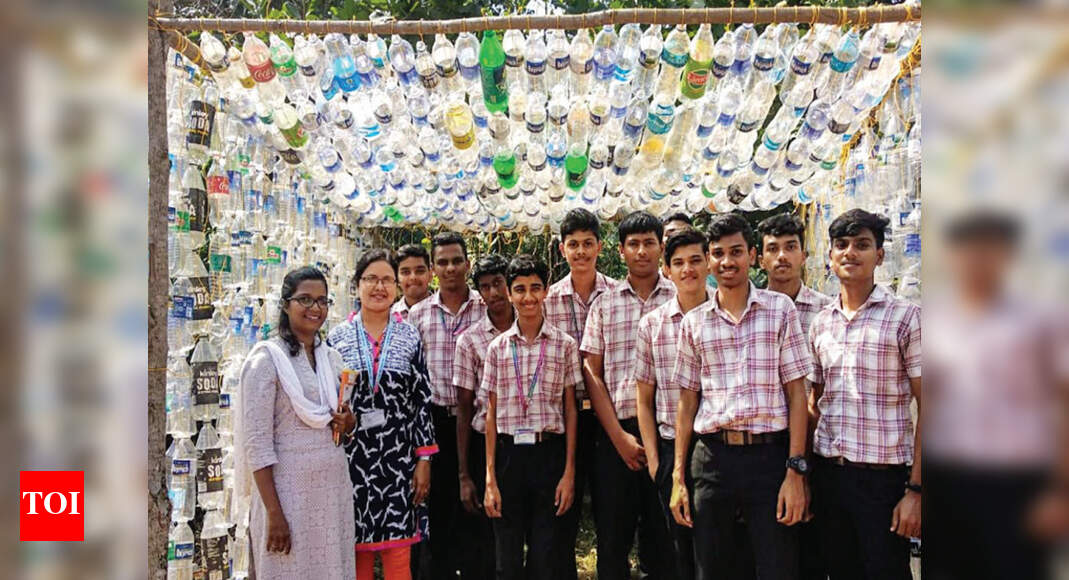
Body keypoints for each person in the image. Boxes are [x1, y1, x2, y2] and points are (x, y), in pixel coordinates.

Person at [670, 213, 812, 580]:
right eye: (718, 253)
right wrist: (678, 478)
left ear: (752, 255)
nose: (727, 261)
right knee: (712, 568)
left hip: (769, 459)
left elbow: (797, 393)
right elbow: (686, 402)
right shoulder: (694, 323)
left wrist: (795, 470)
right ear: (709, 260)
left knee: (777, 566)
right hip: (712, 459)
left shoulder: (780, 311)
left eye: (736, 251)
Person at [926, 210, 1064, 579]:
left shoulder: (1040, 320)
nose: (977, 260)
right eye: (968, 251)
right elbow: (931, 404)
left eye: (989, 250)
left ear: (1008, 256)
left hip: (1017, 483)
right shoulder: (938, 321)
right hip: (948, 484)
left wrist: (1060, 492)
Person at [807, 209, 921, 580]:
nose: (850, 253)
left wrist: (916, 491)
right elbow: (814, 403)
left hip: (884, 483)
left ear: (880, 255)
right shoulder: (821, 322)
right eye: (841, 245)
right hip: (830, 476)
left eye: (862, 245)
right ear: (830, 255)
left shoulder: (907, 318)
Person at [237, 266, 356, 579]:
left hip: (331, 495)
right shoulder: (265, 360)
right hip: (287, 499)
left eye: (322, 301)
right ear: (285, 304)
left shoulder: (331, 358)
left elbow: (342, 425)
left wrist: (349, 422)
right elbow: (257, 444)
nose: (315, 308)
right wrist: (275, 514)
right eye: (305, 299)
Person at [327, 249, 438, 580]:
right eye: (371, 279)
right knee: (354, 552)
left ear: (396, 286)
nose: (379, 287)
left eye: (387, 279)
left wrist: (424, 460)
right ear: (357, 285)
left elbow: (421, 401)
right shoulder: (336, 338)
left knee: (398, 555)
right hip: (351, 459)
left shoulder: (409, 335)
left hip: (399, 461)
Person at [581, 210, 677, 579]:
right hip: (615, 435)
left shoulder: (684, 299)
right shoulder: (604, 304)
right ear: (620, 251)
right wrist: (618, 437)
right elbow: (592, 372)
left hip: (669, 433)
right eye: (633, 244)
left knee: (666, 535)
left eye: (649, 243)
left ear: (661, 247)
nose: (641, 251)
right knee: (612, 538)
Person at [482, 255, 580, 580]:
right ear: (509, 293)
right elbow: (491, 413)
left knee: (545, 556)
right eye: (520, 289)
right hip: (509, 456)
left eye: (535, 288)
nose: (528, 297)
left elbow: (570, 409)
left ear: (546, 291)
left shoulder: (564, 345)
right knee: (506, 559)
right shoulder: (496, 348)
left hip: (548, 454)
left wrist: (568, 472)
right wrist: (490, 478)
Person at [756, 213, 832, 580]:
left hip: (817, 442)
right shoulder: (748, 308)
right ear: (760, 258)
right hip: (766, 444)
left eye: (790, 248)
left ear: (804, 255)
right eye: (773, 249)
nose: (782, 257)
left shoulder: (828, 311)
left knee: (814, 547)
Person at [634, 227, 713, 580]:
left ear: (709, 262)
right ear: (667, 270)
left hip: (716, 449)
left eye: (696, 260)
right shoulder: (652, 324)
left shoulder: (728, 315)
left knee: (720, 550)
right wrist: (654, 460)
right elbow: (644, 397)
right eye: (678, 263)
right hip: (669, 450)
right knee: (678, 548)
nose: (688, 270)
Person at [407, 232, 487, 579]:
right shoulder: (418, 316)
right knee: (437, 514)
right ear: (434, 269)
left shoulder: (487, 308)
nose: (450, 267)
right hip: (436, 424)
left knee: (477, 513)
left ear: (468, 264)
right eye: (442, 262)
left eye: (457, 260)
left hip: (479, 425)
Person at [542, 208, 616, 578]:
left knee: (610, 512)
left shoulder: (617, 295)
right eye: (574, 245)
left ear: (600, 247)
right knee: (563, 517)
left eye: (588, 244)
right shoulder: (547, 300)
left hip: (608, 418)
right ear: (562, 249)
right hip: (564, 416)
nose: (581, 251)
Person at [452, 255, 514, 579]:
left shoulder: (534, 325)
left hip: (526, 445)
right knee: (486, 536)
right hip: (483, 445)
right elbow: (463, 408)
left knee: (525, 534)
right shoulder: (470, 340)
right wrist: (464, 475)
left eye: (499, 283)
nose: (494, 293)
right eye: (486, 287)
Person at [390, 242, 435, 578]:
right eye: (405, 271)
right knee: (410, 510)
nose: (413, 277)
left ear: (430, 272)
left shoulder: (445, 308)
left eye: (420, 269)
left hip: (444, 423)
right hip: (400, 437)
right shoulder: (385, 317)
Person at [392, 243, 434, 321]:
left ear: (430, 274)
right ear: (396, 278)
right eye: (405, 272)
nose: (413, 277)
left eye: (419, 271)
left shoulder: (445, 313)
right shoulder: (389, 318)